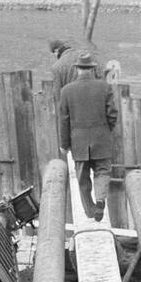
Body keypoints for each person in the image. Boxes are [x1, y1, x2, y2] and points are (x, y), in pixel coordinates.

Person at [58, 52, 118, 221]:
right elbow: (112, 114)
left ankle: (90, 210)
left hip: (79, 142)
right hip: (101, 139)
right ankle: (100, 201)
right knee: (102, 172)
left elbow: (64, 121)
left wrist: (64, 144)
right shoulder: (104, 87)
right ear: (92, 69)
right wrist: (107, 130)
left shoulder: (66, 91)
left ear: (77, 69)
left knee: (82, 178)